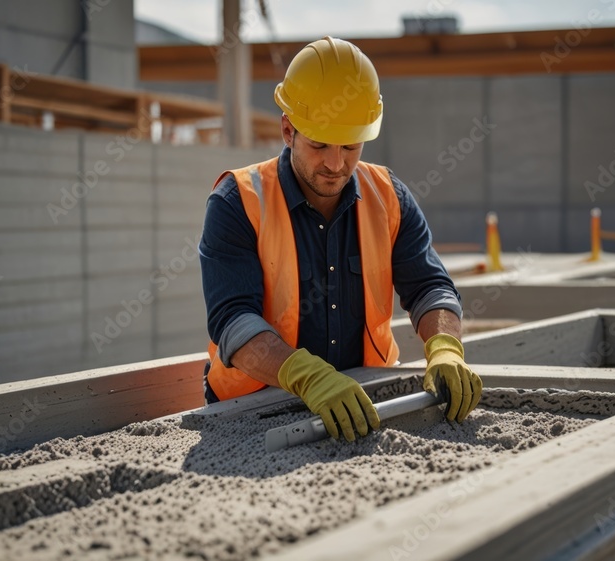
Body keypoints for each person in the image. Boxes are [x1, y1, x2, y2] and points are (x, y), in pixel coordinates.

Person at [199, 36, 482, 442]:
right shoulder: (237, 202)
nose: (336, 164)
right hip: (251, 414)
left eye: (350, 145)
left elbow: (430, 287)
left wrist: (444, 346)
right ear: (287, 130)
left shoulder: (389, 196)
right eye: (319, 145)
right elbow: (233, 322)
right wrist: (308, 377)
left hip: (363, 404)